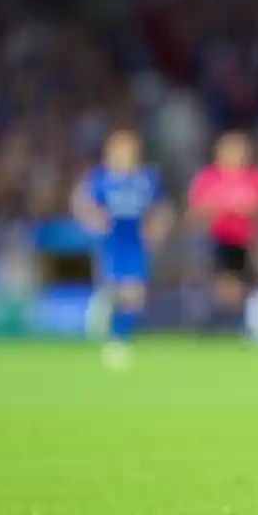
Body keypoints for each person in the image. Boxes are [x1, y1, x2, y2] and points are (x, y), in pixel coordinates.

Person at [72, 129, 171, 370]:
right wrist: (94, 221)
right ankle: (114, 335)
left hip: (136, 243)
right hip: (111, 243)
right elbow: (83, 203)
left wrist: (158, 227)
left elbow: (163, 207)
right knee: (120, 290)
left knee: (136, 296)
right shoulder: (102, 178)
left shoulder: (147, 179)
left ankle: (117, 335)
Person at [187, 131, 258, 333]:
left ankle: (238, 325)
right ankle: (224, 325)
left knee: (245, 286)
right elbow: (196, 211)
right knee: (225, 286)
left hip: (246, 241)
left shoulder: (254, 178)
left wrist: (248, 209)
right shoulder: (209, 178)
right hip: (219, 240)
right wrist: (222, 209)